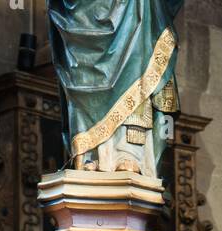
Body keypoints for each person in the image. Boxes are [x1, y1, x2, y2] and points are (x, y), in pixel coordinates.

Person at [47, 0, 183, 175]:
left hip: (132, 10)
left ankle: (128, 152)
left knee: (134, 56)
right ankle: (90, 152)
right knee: (82, 70)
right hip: (81, 12)